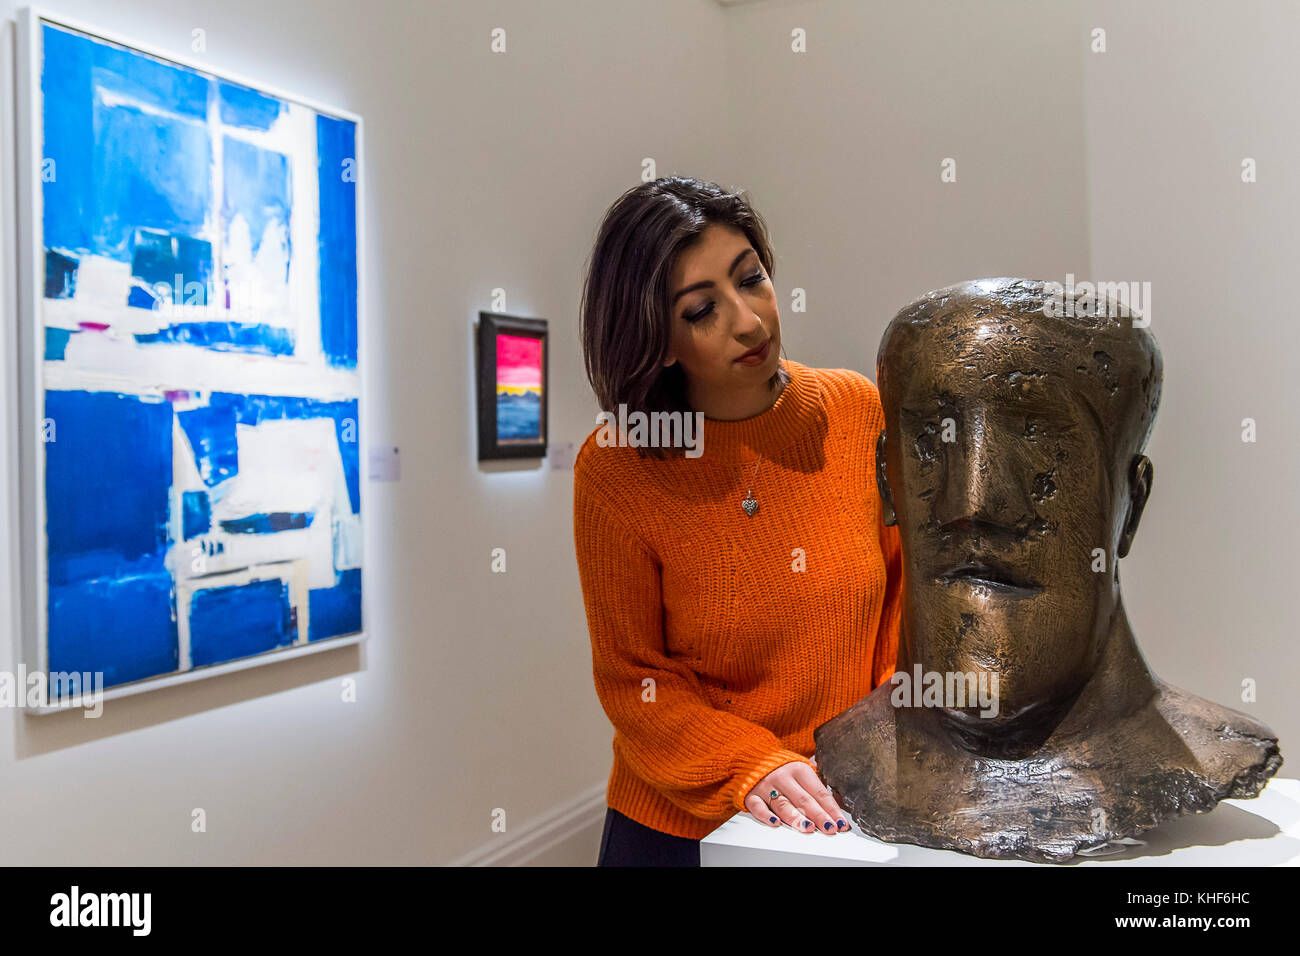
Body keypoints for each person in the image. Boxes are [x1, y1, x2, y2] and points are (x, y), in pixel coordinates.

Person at [573, 176, 903, 866]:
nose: (749, 321)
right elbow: (636, 681)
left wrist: (885, 742)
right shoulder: (616, 467)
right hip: (677, 826)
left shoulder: (856, 411)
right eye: (701, 311)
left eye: (751, 279)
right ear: (657, 340)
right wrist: (754, 763)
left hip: (841, 811)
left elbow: (904, 599)